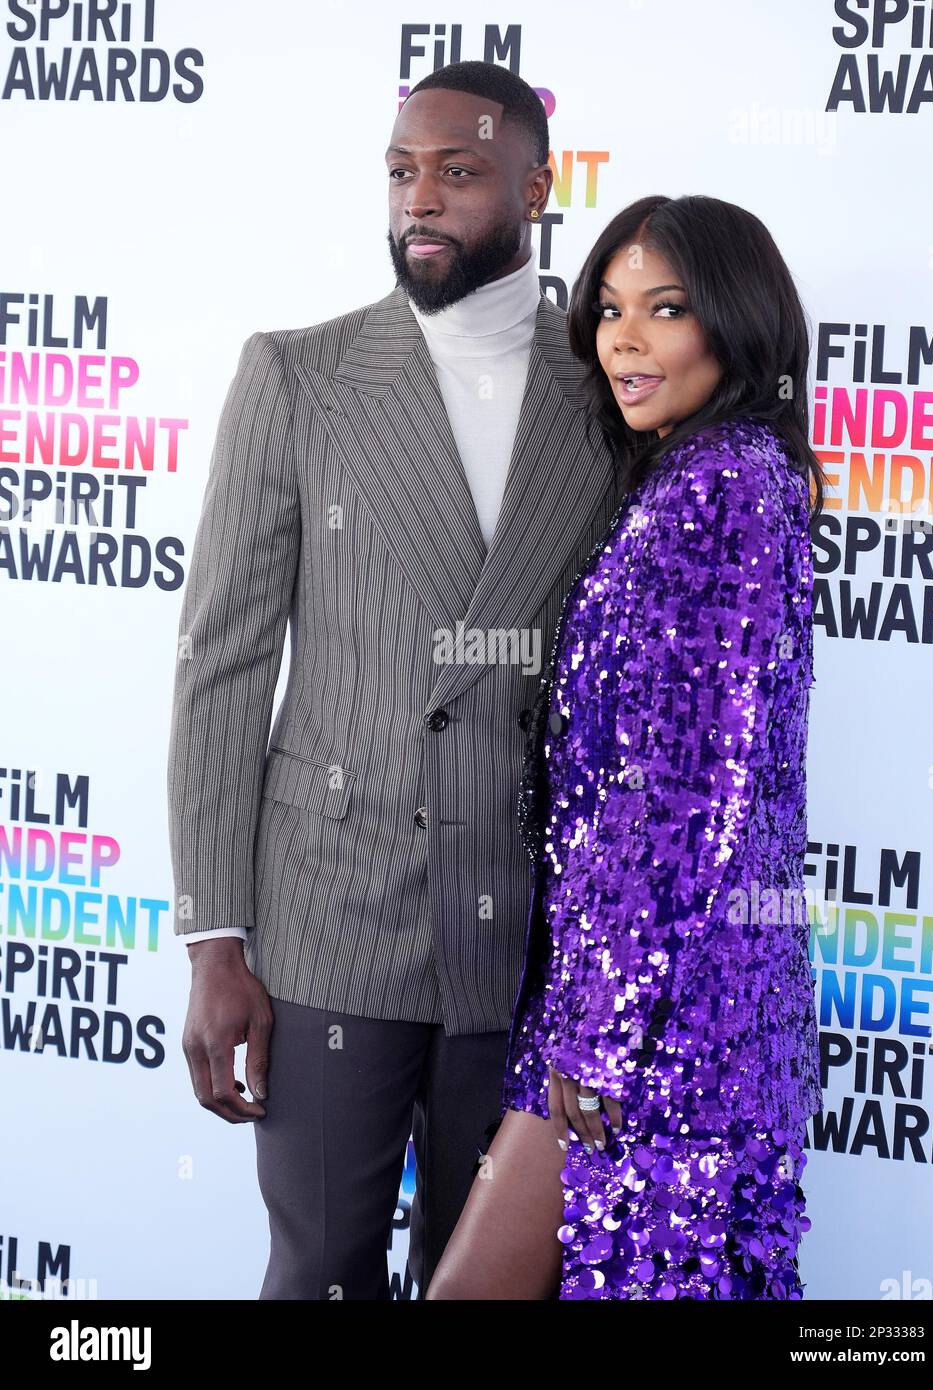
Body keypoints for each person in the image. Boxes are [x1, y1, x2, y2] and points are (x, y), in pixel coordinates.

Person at [165, 60, 623, 1300]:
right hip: (329, 918)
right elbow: (221, 664)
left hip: (522, 931)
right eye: (402, 171)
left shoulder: (608, 388)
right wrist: (214, 938)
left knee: (489, 1281)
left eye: (459, 172)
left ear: (536, 188)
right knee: (320, 1269)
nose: (420, 198)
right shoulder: (298, 376)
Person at [427, 194, 828, 1301]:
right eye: (609, 309)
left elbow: (685, 791)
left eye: (665, 309)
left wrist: (600, 1027)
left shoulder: (722, 487)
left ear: (737, 321)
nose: (624, 341)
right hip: (650, 993)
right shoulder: (706, 475)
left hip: (663, 1017)